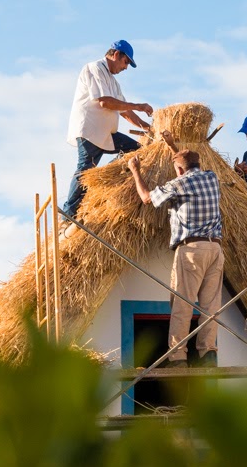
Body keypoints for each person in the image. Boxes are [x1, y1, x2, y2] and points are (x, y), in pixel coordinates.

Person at [128, 134, 223, 368]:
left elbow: (147, 198)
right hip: (215, 249)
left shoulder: (179, 184)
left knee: (182, 305)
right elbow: (185, 163)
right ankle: (208, 354)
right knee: (210, 307)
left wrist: (135, 171)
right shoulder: (212, 178)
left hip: (192, 250)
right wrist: (172, 147)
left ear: (179, 171)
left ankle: (178, 357)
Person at [62, 40, 154, 220]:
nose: (126, 68)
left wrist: (149, 128)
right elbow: (105, 101)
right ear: (116, 54)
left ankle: (108, 179)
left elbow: (125, 111)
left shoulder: (113, 82)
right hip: (90, 129)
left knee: (136, 150)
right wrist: (139, 106)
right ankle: (68, 214)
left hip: (106, 133)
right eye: (126, 62)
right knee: (85, 168)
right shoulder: (94, 68)